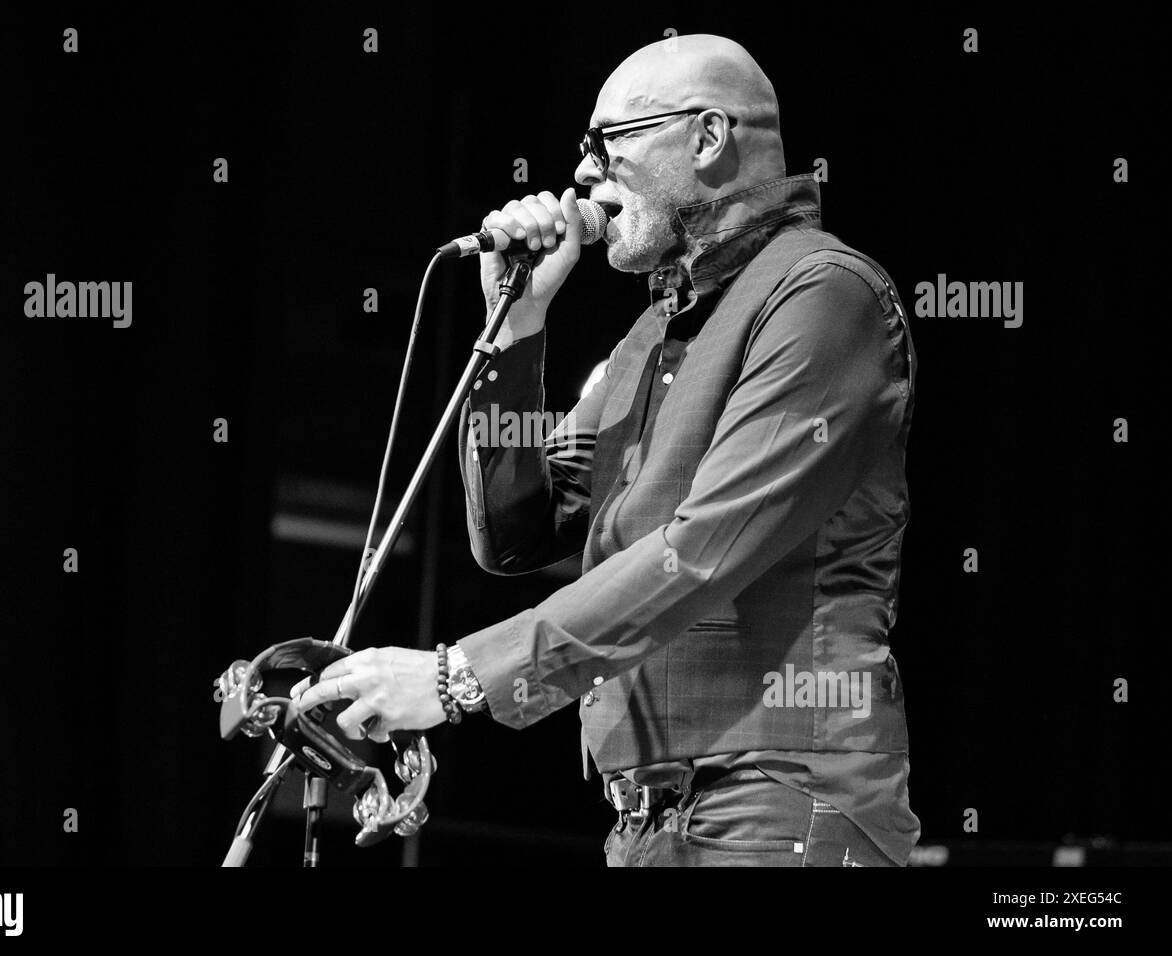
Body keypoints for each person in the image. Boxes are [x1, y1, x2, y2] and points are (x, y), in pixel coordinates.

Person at [293, 33, 920, 867]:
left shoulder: (822, 293)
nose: (583, 172)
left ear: (707, 138)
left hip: (779, 801)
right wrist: (516, 330)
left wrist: (455, 678)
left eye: (608, 141)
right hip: (645, 819)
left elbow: (701, 552)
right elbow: (515, 533)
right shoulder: (651, 335)